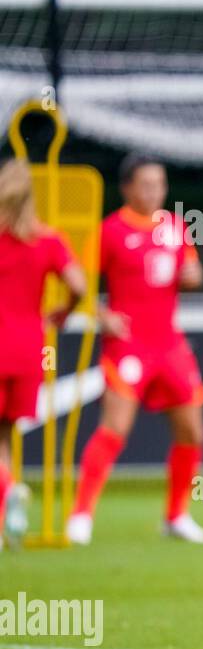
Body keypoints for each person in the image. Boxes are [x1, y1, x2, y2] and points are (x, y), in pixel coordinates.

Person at [66, 154, 203, 545]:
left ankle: (177, 516)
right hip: (128, 344)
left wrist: (193, 276)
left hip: (170, 343)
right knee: (115, 428)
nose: (154, 192)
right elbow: (75, 281)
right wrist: (103, 315)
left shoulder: (175, 227)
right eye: (146, 184)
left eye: (160, 184)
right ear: (127, 187)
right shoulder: (110, 231)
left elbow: (191, 272)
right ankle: (81, 514)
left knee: (193, 431)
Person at [0, 159, 87, 550]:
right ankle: (5, 514)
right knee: (4, 435)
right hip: (28, 347)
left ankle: (11, 490)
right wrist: (65, 311)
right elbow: (80, 284)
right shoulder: (48, 240)